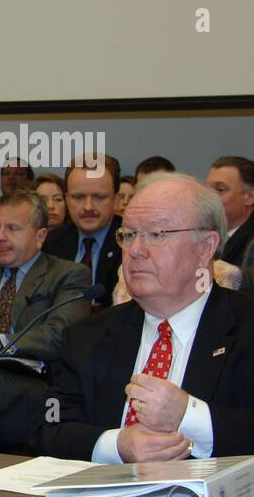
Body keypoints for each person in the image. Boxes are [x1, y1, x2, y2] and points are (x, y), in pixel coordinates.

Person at [36, 174, 254, 461]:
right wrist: (117, 445)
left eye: (157, 235)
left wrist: (188, 415)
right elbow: (50, 427)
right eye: (128, 235)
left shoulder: (245, 327)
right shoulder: (86, 336)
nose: (136, 251)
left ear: (205, 248)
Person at [0, 189, 92, 449]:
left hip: (38, 383)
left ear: (40, 236)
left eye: (13, 229)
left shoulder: (69, 276)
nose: (0, 237)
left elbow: (61, 333)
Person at [43, 154, 123, 300]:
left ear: (116, 200)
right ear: (67, 199)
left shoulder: (131, 243)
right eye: (78, 197)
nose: (88, 207)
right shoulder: (50, 243)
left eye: (99, 197)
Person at [207, 156, 254, 268]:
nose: (209, 196)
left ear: (250, 197)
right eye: (207, 189)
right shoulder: (198, 233)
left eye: (220, 189)